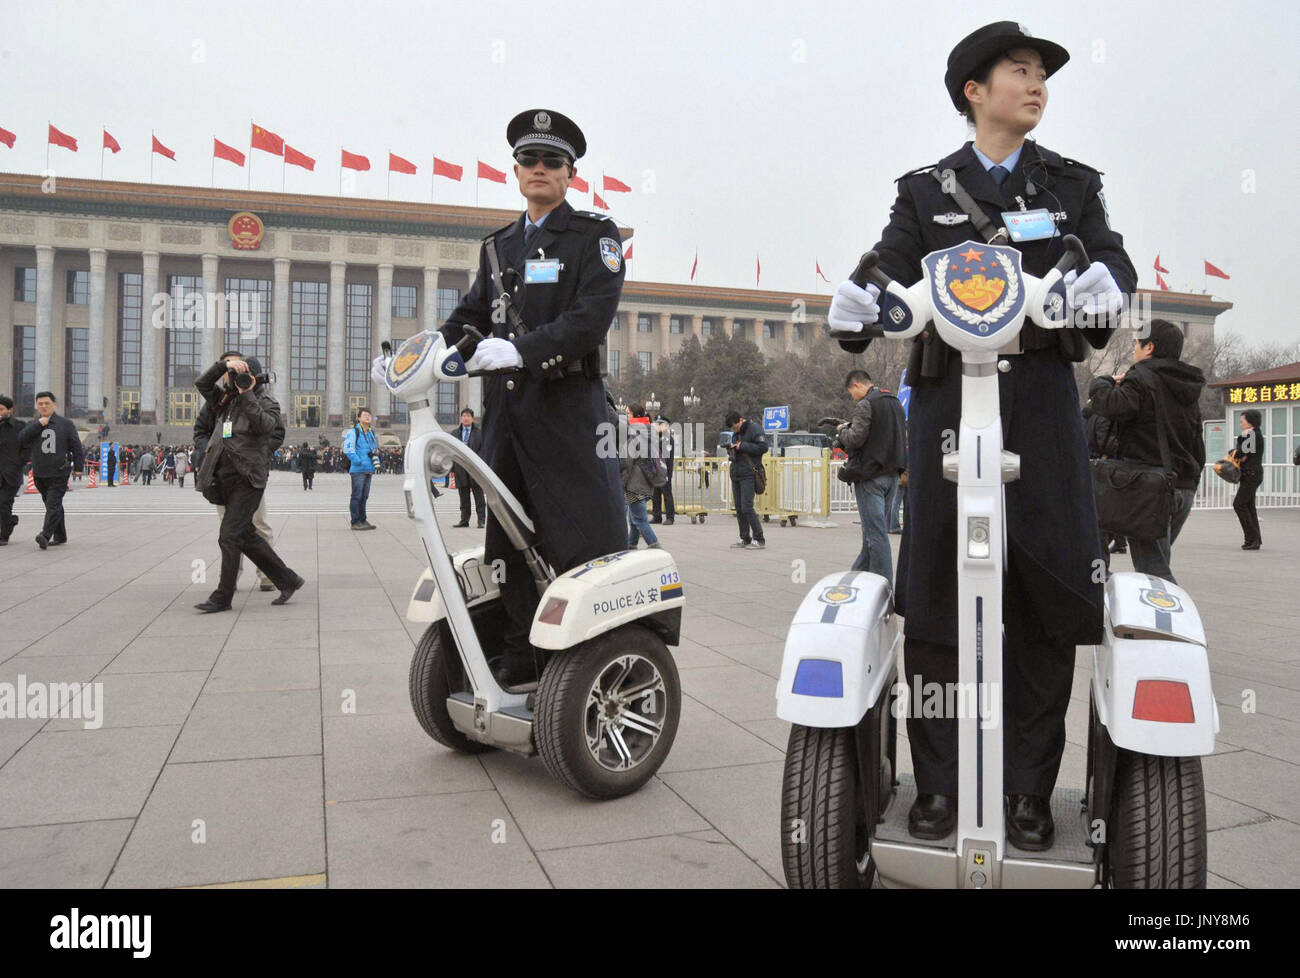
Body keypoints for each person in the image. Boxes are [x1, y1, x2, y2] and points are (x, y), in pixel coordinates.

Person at [827, 22, 1136, 849]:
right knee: (934, 603)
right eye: (1021, 71)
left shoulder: (1070, 185)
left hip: (1038, 406)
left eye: (1042, 75)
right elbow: (885, 267)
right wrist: (857, 306)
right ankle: (939, 786)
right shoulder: (925, 190)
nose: (1037, 86)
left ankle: (1030, 794)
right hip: (943, 413)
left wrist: (1108, 282)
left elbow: (1110, 264)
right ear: (974, 90)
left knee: (1043, 600)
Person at [390, 108, 627, 690]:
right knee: (507, 538)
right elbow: (468, 318)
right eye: (530, 160)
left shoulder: (594, 236)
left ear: (570, 174)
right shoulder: (497, 247)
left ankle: (587, 660)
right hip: (506, 417)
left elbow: (589, 319)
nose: (540, 169)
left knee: (579, 533)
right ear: (516, 171)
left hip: (567, 412)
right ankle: (520, 655)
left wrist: (522, 351)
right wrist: (411, 353)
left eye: (553, 161)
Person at [1087, 319, 1205, 582]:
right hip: (1183, 487)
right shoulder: (1187, 386)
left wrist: (1102, 382)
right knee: (1156, 562)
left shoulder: (1142, 377)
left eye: (1136, 344)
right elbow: (1197, 442)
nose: (1133, 350)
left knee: (1154, 572)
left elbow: (1111, 406)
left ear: (1149, 347)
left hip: (1149, 488)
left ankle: (1169, 621)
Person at [193, 355, 303, 612]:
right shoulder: (224, 401)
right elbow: (202, 384)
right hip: (223, 479)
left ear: (256, 379)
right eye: (233, 377)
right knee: (244, 535)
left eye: (242, 377)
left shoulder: (266, 402)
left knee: (229, 537)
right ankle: (288, 579)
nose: (235, 382)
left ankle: (223, 597)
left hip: (248, 479)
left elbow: (266, 426)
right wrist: (224, 366)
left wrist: (247, 394)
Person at [835, 369, 906, 585]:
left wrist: (840, 431)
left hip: (870, 477)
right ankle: (855, 577)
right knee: (872, 533)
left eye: (851, 393)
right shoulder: (895, 402)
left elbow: (855, 438)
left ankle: (883, 586)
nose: (853, 397)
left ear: (857, 385)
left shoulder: (867, 403)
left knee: (876, 536)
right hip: (892, 475)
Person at [18, 391, 85, 549]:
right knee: (53, 505)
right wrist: (38, 424)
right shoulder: (34, 424)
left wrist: (78, 467)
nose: (44, 406)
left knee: (53, 504)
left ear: (54, 405)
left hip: (59, 472)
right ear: (37, 405)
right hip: (40, 472)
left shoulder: (65, 424)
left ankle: (45, 535)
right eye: (40, 404)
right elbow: (21, 439)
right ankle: (61, 535)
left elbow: (76, 446)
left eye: (47, 403)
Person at [724, 411, 767, 549]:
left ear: (741, 420)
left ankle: (759, 538)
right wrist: (731, 450)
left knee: (747, 507)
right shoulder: (737, 433)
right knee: (739, 508)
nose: (734, 430)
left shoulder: (754, 429)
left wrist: (742, 446)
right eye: (732, 429)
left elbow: (763, 447)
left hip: (749, 472)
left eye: (735, 427)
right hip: (736, 472)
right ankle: (745, 538)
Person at [623, 404, 660, 549]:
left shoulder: (633, 432)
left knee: (639, 519)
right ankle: (631, 545)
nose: (626, 416)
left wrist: (622, 480)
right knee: (634, 518)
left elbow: (628, 460)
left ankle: (656, 547)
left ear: (635, 416)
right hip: (647, 478)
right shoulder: (650, 430)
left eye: (628, 414)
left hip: (635, 482)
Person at [449, 408, 486, 528]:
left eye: (468, 416)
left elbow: (483, 450)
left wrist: (475, 460)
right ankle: (464, 520)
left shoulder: (480, 433)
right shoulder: (454, 433)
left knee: (478, 496)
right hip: (460, 468)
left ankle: (481, 520)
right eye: (464, 416)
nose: (466, 418)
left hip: (475, 468)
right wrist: (452, 468)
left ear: (472, 419)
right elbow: (451, 451)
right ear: (461, 418)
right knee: (463, 497)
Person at [343, 408, 378, 530]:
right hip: (358, 470)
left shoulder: (371, 433)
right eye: (365, 415)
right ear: (359, 418)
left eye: (369, 415)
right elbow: (348, 449)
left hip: (369, 469)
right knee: (356, 496)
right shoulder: (353, 432)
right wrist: (358, 461)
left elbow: (374, 449)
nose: (368, 417)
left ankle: (363, 520)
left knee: (364, 496)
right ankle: (355, 521)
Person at [1233, 409, 1263, 550]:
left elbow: (1240, 453)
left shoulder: (1251, 435)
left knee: (1239, 504)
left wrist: (1241, 439)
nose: (1240, 424)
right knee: (1249, 507)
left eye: (1242, 421)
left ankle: (1252, 538)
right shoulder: (1253, 434)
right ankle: (1254, 540)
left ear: (1250, 421)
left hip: (1251, 474)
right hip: (1252, 474)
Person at [0, 395, 23, 544]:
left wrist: (19, 462)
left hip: (11, 473)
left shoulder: (19, 426)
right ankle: (10, 523)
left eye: (1, 409)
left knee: (3, 502)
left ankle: (4, 536)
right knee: (5, 505)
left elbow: (28, 447)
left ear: (10, 410)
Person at [649, 415, 677, 525]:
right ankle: (657, 516)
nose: (658, 426)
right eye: (657, 424)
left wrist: (666, 473)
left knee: (667, 494)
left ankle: (670, 517)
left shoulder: (668, 439)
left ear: (667, 426)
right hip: (655, 470)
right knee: (655, 495)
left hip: (664, 471)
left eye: (660, 424)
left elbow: (666, 457)